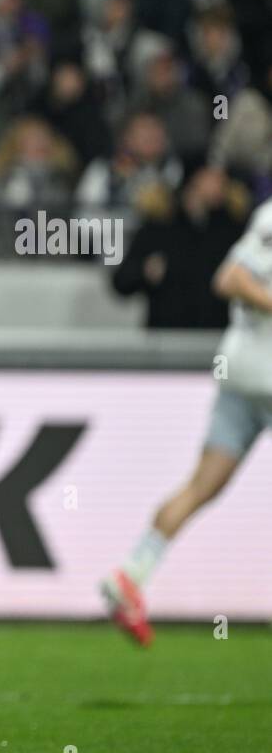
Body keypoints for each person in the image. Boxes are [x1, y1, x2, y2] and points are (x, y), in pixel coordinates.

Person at [105, 191, 272, 646]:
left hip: (239, 371)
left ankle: (132, 572)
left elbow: (231, 276)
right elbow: (232, 278)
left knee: (202, 484)